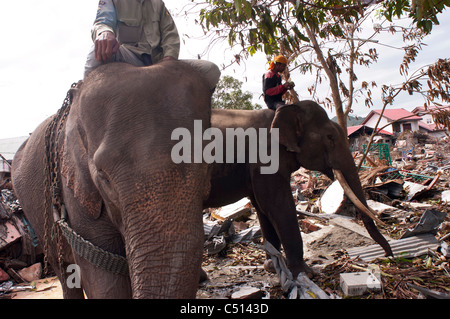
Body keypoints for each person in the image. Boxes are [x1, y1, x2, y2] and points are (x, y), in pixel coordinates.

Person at [84, 0, 220, 91]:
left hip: (159, 64)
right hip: (128, 58)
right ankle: (79, 104)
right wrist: (105, 32)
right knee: (95, 52)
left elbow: (170, 34)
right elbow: (102, 22)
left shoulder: (158, 4)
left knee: (210, 70)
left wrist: (169, 58)